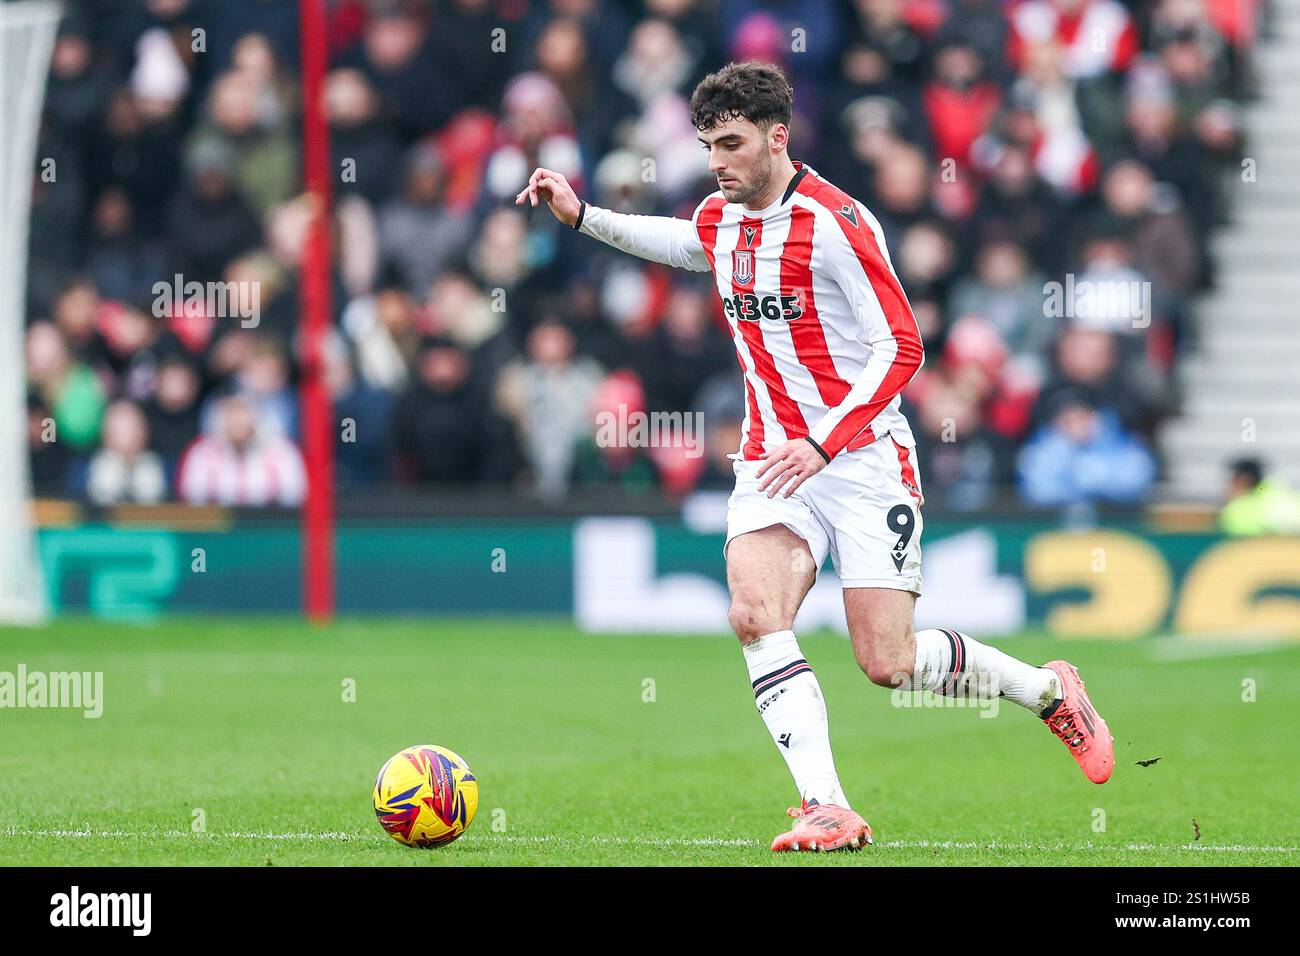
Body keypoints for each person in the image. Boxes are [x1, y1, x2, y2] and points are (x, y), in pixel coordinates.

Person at [517, 60, 1115, 853]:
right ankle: (825, 805)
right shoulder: (720, 218)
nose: (718, 162)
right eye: (708, 147)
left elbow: (902, 347)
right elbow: (684, 243)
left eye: (731, 144)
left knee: (889, 662)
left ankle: (1046, 690)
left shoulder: (837, 222)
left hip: (861, 458)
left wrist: (823, 439)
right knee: (754, 614)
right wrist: (582, 214)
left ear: (777, 137)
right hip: (774, 458)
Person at [1220, 459, 1300, 536]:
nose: (1227, 488)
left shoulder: (1238, 509)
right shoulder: (1281, 490)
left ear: (1243, 480)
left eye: (1232, 481)